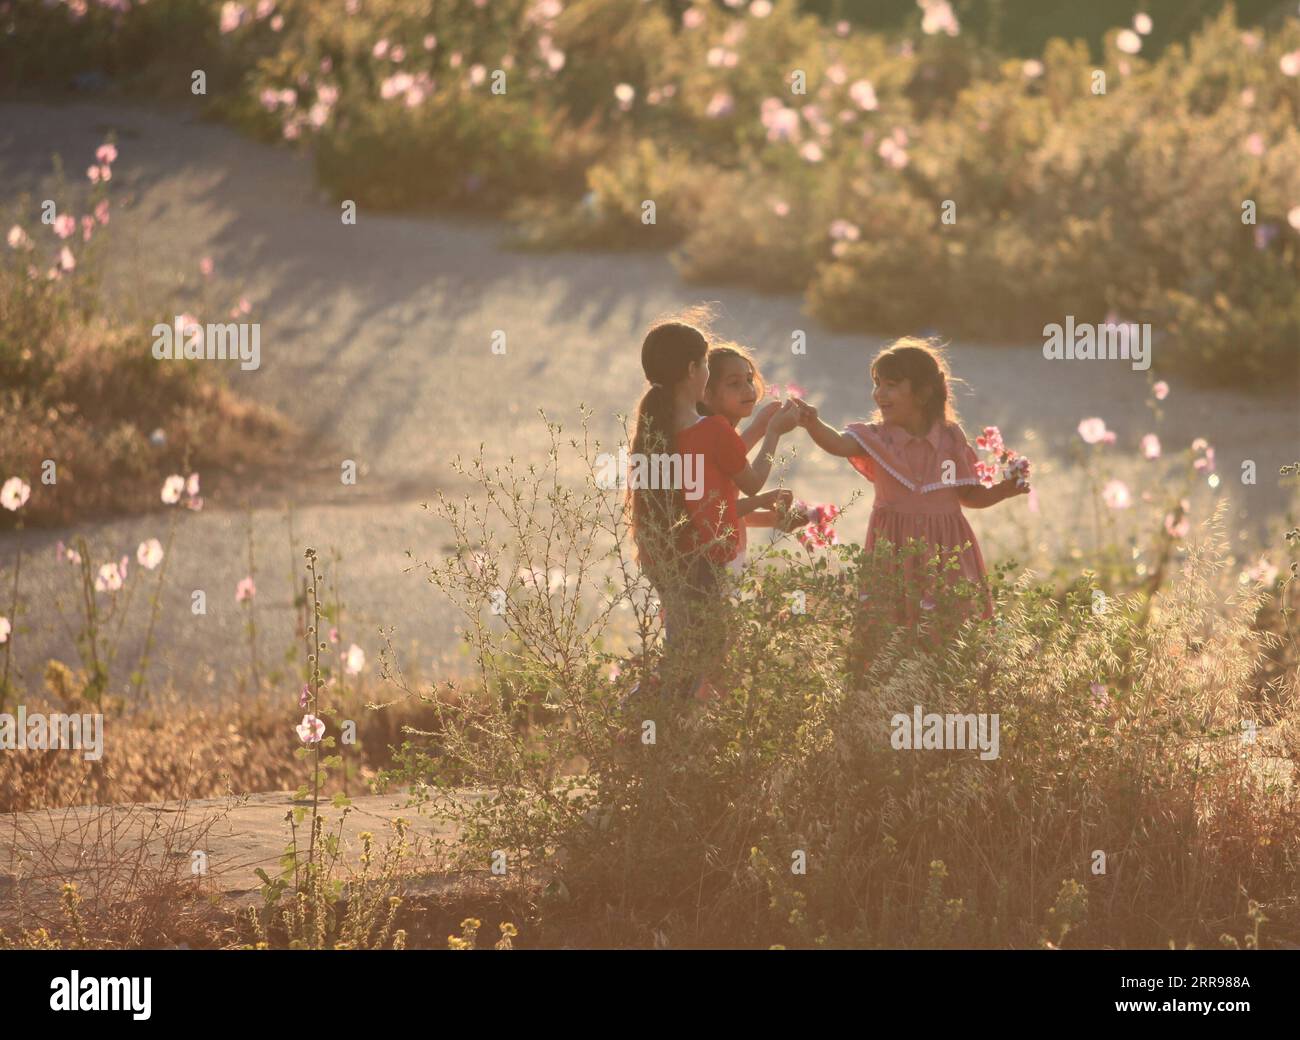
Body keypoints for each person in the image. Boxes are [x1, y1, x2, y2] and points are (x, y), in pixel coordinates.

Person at [794, 337, 1027, 631]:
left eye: (891, 384)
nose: (879, 393)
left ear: (923, 392)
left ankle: (944, 675)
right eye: (877, 383)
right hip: (893, 550)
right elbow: (838, 444)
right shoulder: (878, 439)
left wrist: (1002, 491)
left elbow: (968, 494)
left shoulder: (949, 440)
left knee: (949, 627)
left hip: (947, 550)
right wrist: (813, 423)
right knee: (892, 627)